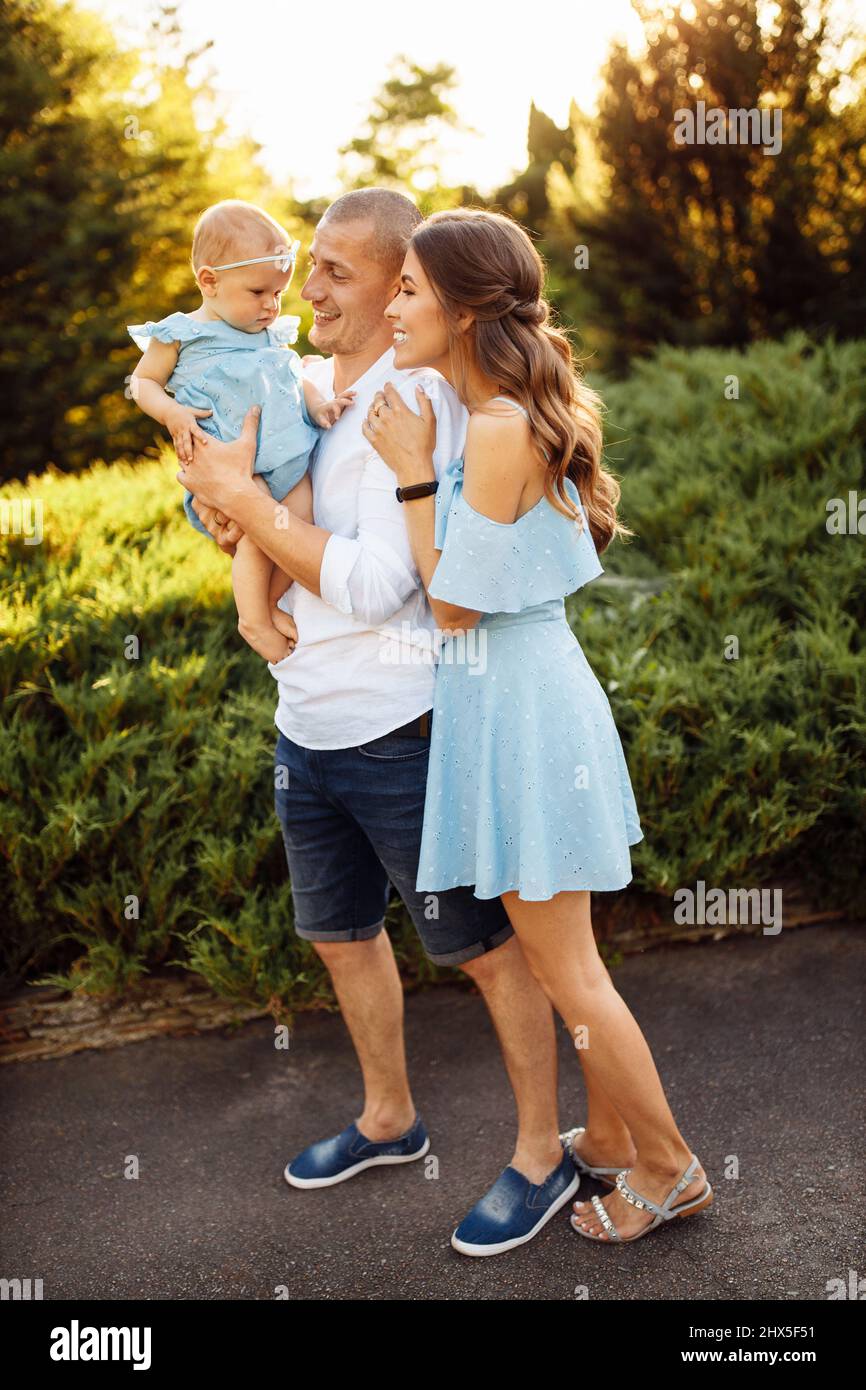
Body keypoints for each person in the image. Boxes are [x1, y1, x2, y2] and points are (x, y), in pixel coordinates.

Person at [176, 188, 583, 1257]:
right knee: (336, 936)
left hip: (402, 732)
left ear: (405, 281)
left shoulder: (422, 408)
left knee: (485, 952)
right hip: (302, 724)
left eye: (337, 273)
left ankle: (542, 1155)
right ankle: (389, 1118)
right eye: (305, 267)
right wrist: (232, 516)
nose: (306, 289)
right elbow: (259, 526)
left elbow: (371, 586)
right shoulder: (304, 385)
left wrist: (254, 511)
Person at [361, 206, 714, 1247]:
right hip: (507, 705)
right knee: (564, 957)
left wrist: (415, 476)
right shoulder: (488, 414)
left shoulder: (503, 426)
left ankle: (669, 1167)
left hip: (522, 714)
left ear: (466, 310)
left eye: (411, 290)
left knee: (565, 971)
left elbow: (455, 602)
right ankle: (607, 1136)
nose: (393, 304)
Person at [128, 199, 354, 663]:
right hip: (231, 463)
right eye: (258, 292)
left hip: (288, 459)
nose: (272, 305)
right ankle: (253, 616)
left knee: (296, 527)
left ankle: (271, 604)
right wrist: (172, 414)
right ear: (209, 280)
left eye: (277, 293)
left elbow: (293, 377)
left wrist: (321, 405)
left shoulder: (269, 332)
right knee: (255, 527)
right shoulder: (181, 334)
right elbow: (142, 383)